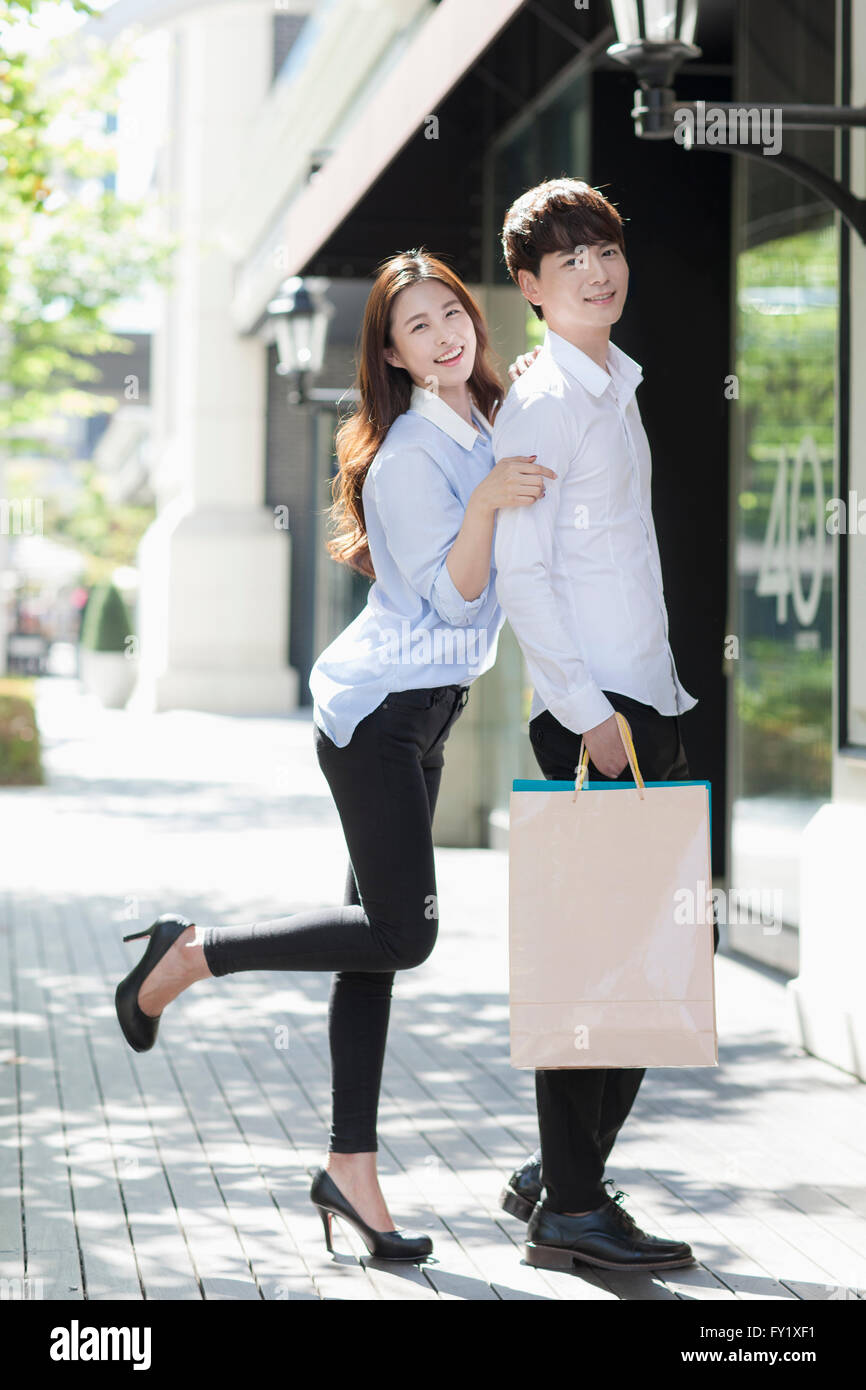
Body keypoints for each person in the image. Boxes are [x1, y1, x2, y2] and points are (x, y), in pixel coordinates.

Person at [114, 249, 554, 1263]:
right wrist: (486, 503)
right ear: (390, 356)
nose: (445, 333)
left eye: (453, 312)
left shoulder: (482, 421)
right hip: (375, 717)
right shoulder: (406, 458)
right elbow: (450, 598)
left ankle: (348, 1172)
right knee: (403, 936)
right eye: (417, 327)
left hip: (426, 710)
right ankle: (189, 955)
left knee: (373, 941)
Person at [491, 178, 720, 1274]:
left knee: (657, 952)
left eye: (606, 247)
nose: (597, 267)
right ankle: (572, 1205)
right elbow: (520, 574)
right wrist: (589, 719)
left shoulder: (608, 384)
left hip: (645, 697)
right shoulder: (541, 401)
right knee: (596, 964)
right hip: (596, 716)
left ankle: (557, 1169)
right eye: (569, 257)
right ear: (529, 288)